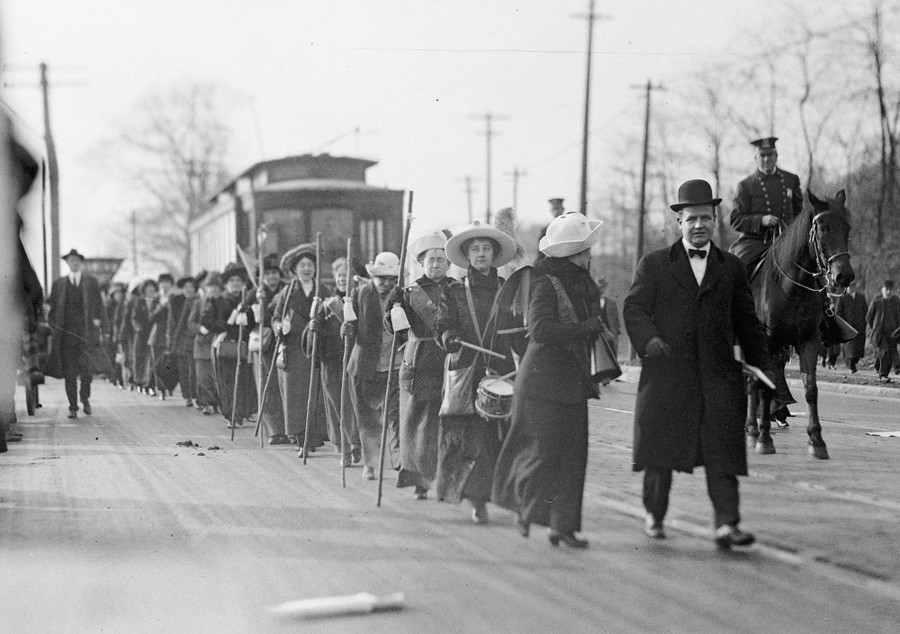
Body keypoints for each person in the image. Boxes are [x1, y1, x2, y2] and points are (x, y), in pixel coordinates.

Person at [623, 179, 774, 549]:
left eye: (706, 218)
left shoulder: (732, 268)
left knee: (723, 449)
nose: (699, 225)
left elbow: (747, 323)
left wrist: (765, 365)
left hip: (718, 377)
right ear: (679, 222)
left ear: (715, 219)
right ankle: (654, 516)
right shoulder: (655, 264)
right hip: (667, 376)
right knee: (659, 451)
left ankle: (727, 524)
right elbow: (635, 309)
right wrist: (648, 340)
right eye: (691, 219)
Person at [493, 213, 604, 548]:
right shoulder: (545, 281)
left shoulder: (584, 285)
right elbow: (539, 330)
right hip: (542, 381)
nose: (589, 256)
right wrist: (586, 328)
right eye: (584, 251)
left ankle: (563, 526)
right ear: (571, 254)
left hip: (571, 380)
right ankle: (523, 506)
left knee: (573, 455)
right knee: (541, 452)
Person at [434, 221, 526, 524]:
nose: (482, 253)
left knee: (501, 434)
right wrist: (448, 338)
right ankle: (476, 500)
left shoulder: (507, 289)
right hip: (468, 369)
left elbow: (517, 333)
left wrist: (529, 353)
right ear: (467, 255)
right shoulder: (455, 291)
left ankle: (504, 495)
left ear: (495, 254)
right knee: (472, 437)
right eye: (476, 249)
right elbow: (443, 326)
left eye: (487, 248)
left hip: (501, 369)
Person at [389, 231, 455, 500]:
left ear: (449, 264)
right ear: (422, 263)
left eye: (441, 260)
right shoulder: (409, 292)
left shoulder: (457, 290)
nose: (436, 264)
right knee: (417, 423)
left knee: (445, 420)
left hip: (449, 358)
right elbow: (394, 329)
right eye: (431, 260)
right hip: (419, 358)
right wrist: (392, 306)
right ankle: (418, 480)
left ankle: (443, 479)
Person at [342, 252, 402, 480]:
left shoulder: (402, 295)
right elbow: (351, 327)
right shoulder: (360, 294)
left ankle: (399, 463)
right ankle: (371, 463)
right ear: (373, 277)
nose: (387, 283)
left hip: (395, 365)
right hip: (365, 365)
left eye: (392, 279)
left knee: (396, 417)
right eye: (382, 278)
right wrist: (346, 330)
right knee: (368, 419)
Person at [272, 245, 328, 453]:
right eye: (302, 265)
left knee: (316, 395)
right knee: (296, 397)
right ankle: (300, 438)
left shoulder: (322, 290)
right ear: (295, 269)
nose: (306, 269)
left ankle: (312, 438)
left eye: (310, 265)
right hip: (294, 349)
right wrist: (278, 326)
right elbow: (276, 316)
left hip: (316, 348)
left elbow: (331, 312)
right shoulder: (287, 292)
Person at [46, 249, 108, 419]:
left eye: (76, 260)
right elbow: (52, 310)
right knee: (69, 372)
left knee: (87, 371)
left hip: (86, 335)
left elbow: (99, 306)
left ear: (80, 262)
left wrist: (102, 326)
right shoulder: (59, 284)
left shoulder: (90, 282)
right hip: (66, 337)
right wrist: (54, 327)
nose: (74, 263)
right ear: (67, 263)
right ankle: (73, 406)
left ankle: (84, 398)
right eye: (71, 260)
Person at [729, 137, 803, 272]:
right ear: (755, 158)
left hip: (787, 240)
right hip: (755, 242)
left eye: (770, 155)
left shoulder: (791, 180)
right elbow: (735, 220)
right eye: (762, 155)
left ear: (776, 156)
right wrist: (760, 220)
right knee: (737, 270)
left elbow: (799, 212)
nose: (766, 159)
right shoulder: (745, 186)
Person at [315, 257, 360, 463]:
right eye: (340, 275)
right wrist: (315, 326)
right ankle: (344, 447)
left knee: (353, 406)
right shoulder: (328, 303)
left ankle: (356, 444)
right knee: (336, 406)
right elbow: (318, 332)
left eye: (347, 275)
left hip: (354, 360)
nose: (343, 279)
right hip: (332, 361)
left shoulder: (360, 300)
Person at [203, 263, 257, 424]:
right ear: (226, 284)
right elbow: (206, 322)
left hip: (244, 344)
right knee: (227, 381)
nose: (235, 284)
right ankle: (231, 414)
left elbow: (255, 321)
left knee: (245, 380)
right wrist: (225, 324)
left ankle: (244, 411)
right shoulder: (219, 301)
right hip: (224, 344)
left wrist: (248, 318)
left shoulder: (247, 300)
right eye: (232, 280)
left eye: (238, 280)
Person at [248, 254, 288, 444]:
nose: (272, 277)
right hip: (264, 346)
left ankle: (288, 429)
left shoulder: (287, 290)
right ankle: (274, 431)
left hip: (284, 342)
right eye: (268, 274)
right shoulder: (255, 292)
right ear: (261, 277)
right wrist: (257, 303)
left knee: (284, 387)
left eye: (275, 273)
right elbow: (244, 316)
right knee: (267, 386)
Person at [189, 271, 222, 415]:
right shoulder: (198, 303)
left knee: (217, 377)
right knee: (202, 377)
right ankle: (207, 403)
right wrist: (199, 328)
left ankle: (217, 403)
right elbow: (190, 323)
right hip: (202, 345)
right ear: (206, 288)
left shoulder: (224, 303)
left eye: (217, 287)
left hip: (219, 345)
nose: (213, 289)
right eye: (210, 286)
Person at [167, 276, 200, 407]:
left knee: (194, 370)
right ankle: (188, 396)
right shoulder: (176, 302)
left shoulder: (198, 301)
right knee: (184, 369)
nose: (189, 289)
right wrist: (171, 343)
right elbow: (173, 324)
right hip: (181, 339)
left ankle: (196, 395)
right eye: (186, 287)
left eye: (191, 287)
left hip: (195, 338)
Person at [866, 280, 900, 383]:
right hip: (880, 334)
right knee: (885, 353)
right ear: (882, 290)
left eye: (890, 289)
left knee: (892, 352)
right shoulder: (876, 302)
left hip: (893, 333)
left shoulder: (896, 301)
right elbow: (869, 318)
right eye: (886, 289)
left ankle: (895, 368)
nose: (888, 292)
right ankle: (883, 374)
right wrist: (876, 328)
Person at [131, 279, 159, 395]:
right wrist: (138, 328)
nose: (150, 292)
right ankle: (140, 382)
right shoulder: (139, 302)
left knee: (153, 360)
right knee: (140, 358)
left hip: (153, 333)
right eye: (148, 289)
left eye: (152, 289)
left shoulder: (157, 302)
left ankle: (151, 384)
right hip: (141, 334)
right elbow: (134, 317)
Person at [835, 280, 868, 373]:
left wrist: (864, 323)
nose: (850, 288)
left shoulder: (861, 298)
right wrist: (842, 325)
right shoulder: (842, 298)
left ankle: (852, 363)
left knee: (858, 348)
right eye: (848, 287)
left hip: (860, 327)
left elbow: (866, 311)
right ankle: (851, 365)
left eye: (852, 286)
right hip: (848, 327)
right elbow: (838, 314)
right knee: (850, 348)